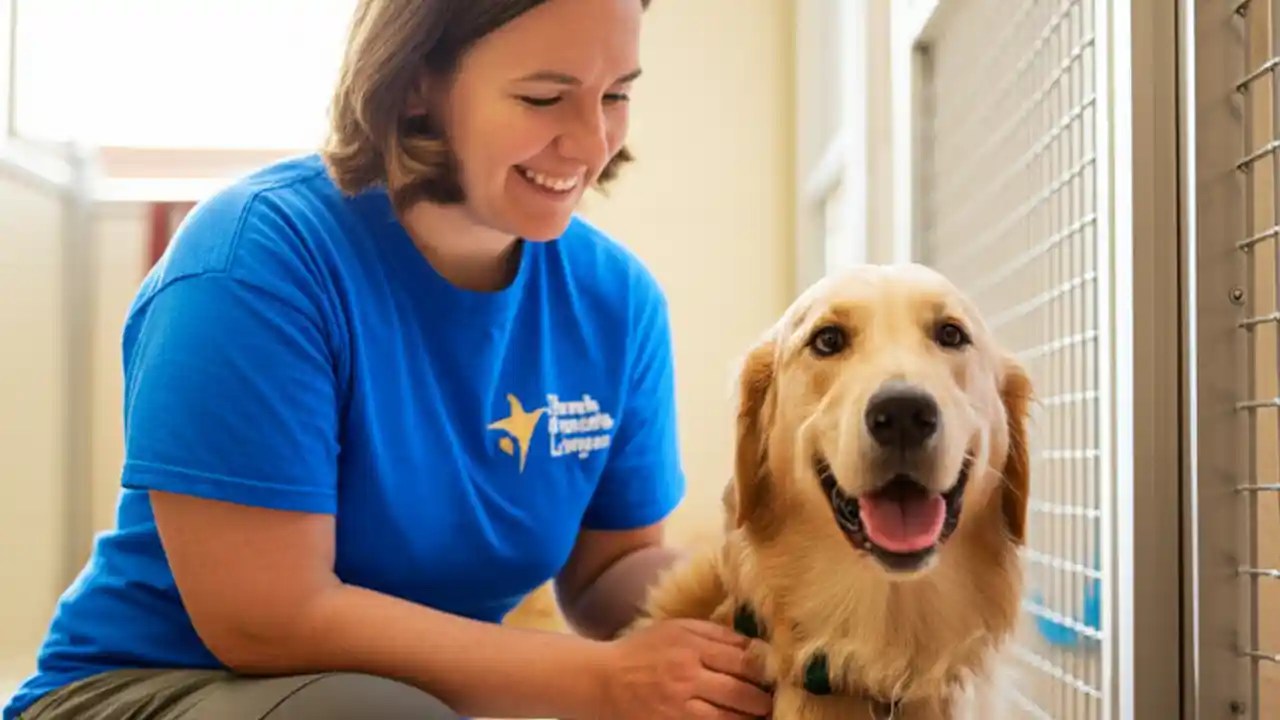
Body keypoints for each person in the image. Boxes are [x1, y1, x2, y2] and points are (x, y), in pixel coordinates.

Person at [1, 1, 774, 718]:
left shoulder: (619, 301)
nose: (592, 141)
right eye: (545, 98)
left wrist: (773, 596)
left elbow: (610, 582)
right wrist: (603, 680)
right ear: (414, 87)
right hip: (152, 685)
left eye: (615, 96)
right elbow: (270, 623)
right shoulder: (256, 260)